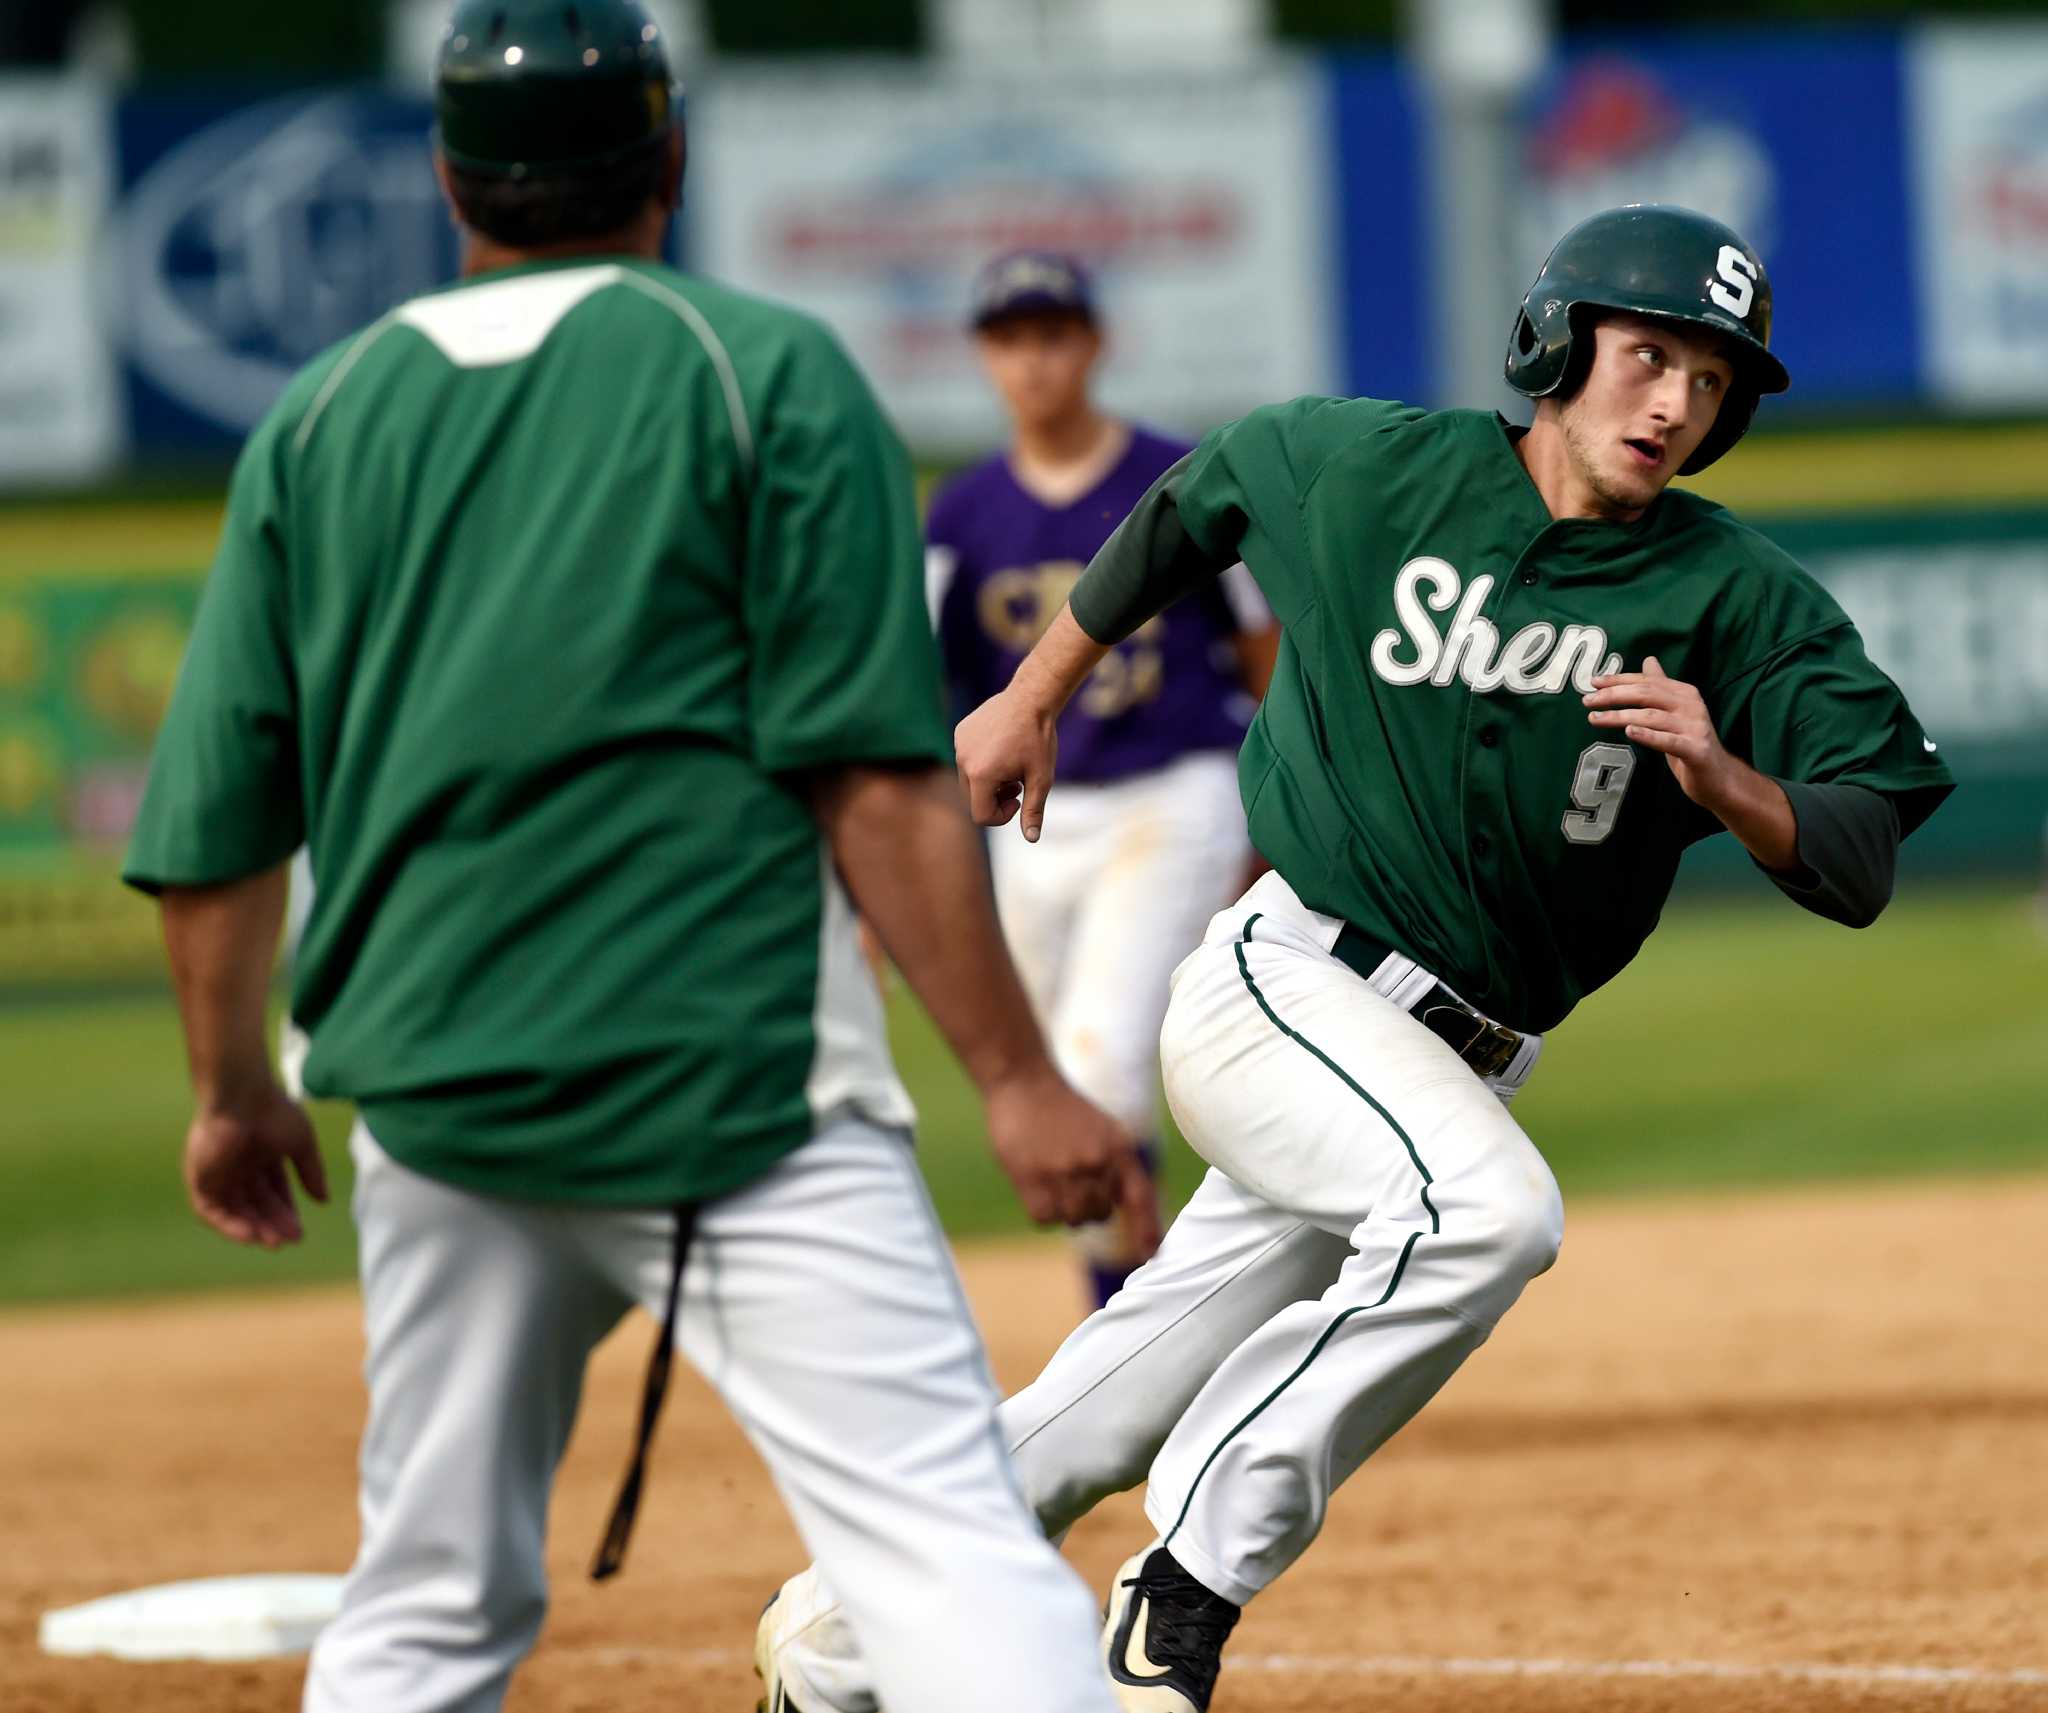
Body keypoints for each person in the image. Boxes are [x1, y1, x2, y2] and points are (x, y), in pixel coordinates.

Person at [754, 204, 1955, 1713]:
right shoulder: (1373, 470)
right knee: (1489, 1215)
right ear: (1554, 342)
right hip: (1284, 985)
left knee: (1108, 1403)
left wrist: (1730, 782)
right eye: (1648, 357)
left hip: (1447, 1061)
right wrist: (1034, 690)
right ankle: (1186, 1584)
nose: (1674, 403)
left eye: (1711, 382)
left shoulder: (1733, 596)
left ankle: (834, 1638)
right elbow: (1199, 495)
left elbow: (1860, 840)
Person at [119, 5, 1154, 1712]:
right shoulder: (759, 369)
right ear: (669, 157)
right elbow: (873, 780)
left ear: (449, 176)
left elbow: (219, 820)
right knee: (946, 1560)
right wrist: (1018, 1078)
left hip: (436, 1104)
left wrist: (233, 1092)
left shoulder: (319, 416)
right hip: (735, 1098)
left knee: (426, 1604)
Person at [927, 249, 1278, 1308]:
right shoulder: (961, 515)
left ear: (1093, 343)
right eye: (1009, 340)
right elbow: (934, 697)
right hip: (1030, 827)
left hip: (1176, 791)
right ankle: (1146, 1300)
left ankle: (1124, 1326)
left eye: (1052, 335)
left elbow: (1263, 653)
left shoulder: (1178, 481)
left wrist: (1276, 819)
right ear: (983, 356)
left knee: (1098, 1065)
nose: (1032, 361)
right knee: (1067, 1093)